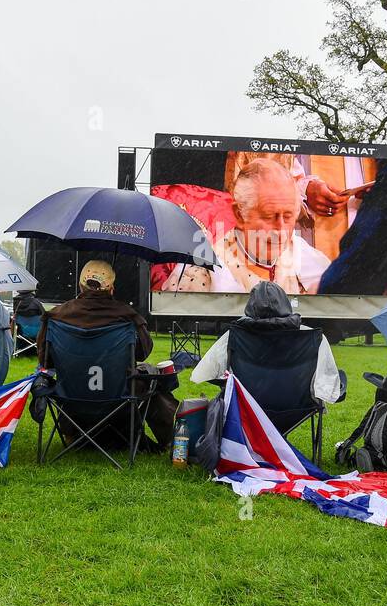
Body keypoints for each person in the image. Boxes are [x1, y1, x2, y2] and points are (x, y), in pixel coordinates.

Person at [41, 260, 175, 449]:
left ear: (80, 284)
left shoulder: (55, 316)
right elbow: (143, 353)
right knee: (152, 378)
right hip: (118, 399)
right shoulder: (127, 316)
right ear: (111, 287)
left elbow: (45, 360)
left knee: (64, 380)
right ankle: (169, 441)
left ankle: (72, 433)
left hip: (71, 397)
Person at [165, 158, 332, 294]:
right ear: (239, 214)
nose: (280, 230)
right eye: (268, 217)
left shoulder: (308, 259)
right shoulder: (200, 273)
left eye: (288, 217)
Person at [191, 280, 344, 403]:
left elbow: (203, 373)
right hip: (297, 408)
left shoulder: (233, 336)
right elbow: (328, 385)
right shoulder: (312, 337)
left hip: (247, 407)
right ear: (286, 304)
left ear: (250, 306)